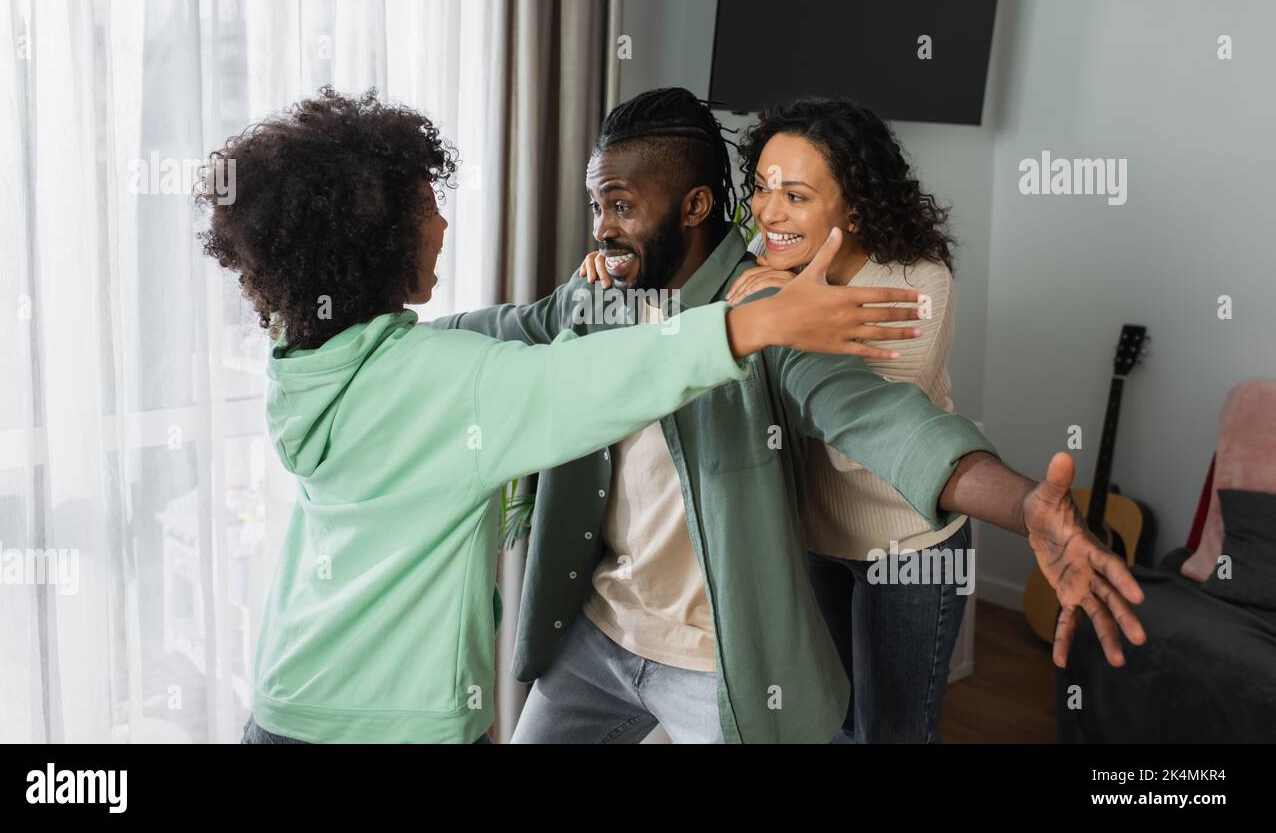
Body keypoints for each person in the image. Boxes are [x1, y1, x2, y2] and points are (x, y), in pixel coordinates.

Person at [194, 86, 929, 743]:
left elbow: (514, 331)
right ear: (376, 238)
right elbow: (599, 379)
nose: (445, 224)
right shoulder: (457, 381)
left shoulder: (309, 362)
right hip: (400, 724)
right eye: (427, 207)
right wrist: (749, 326)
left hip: (285, 699)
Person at [436, 86, 1145, 744]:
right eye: (598, 207)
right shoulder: (601, 298)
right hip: (599, 633)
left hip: (729, 649)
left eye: (620, 206)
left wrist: (1026, 504)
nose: (602, 230)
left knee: (890, 725)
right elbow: (502, 328)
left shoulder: (778, 315)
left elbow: (881, 417)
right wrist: (375, 335)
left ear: (692, 207)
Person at [724, 95, 970, 742]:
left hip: (908, 544)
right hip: (816, 532)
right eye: (761, 188)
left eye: (796, 197)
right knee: (826, 722)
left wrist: (776, 307)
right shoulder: (763, 257)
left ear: (856, 208)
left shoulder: (920, 280)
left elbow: (858, 427)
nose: (768, 212)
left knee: (893, 731)